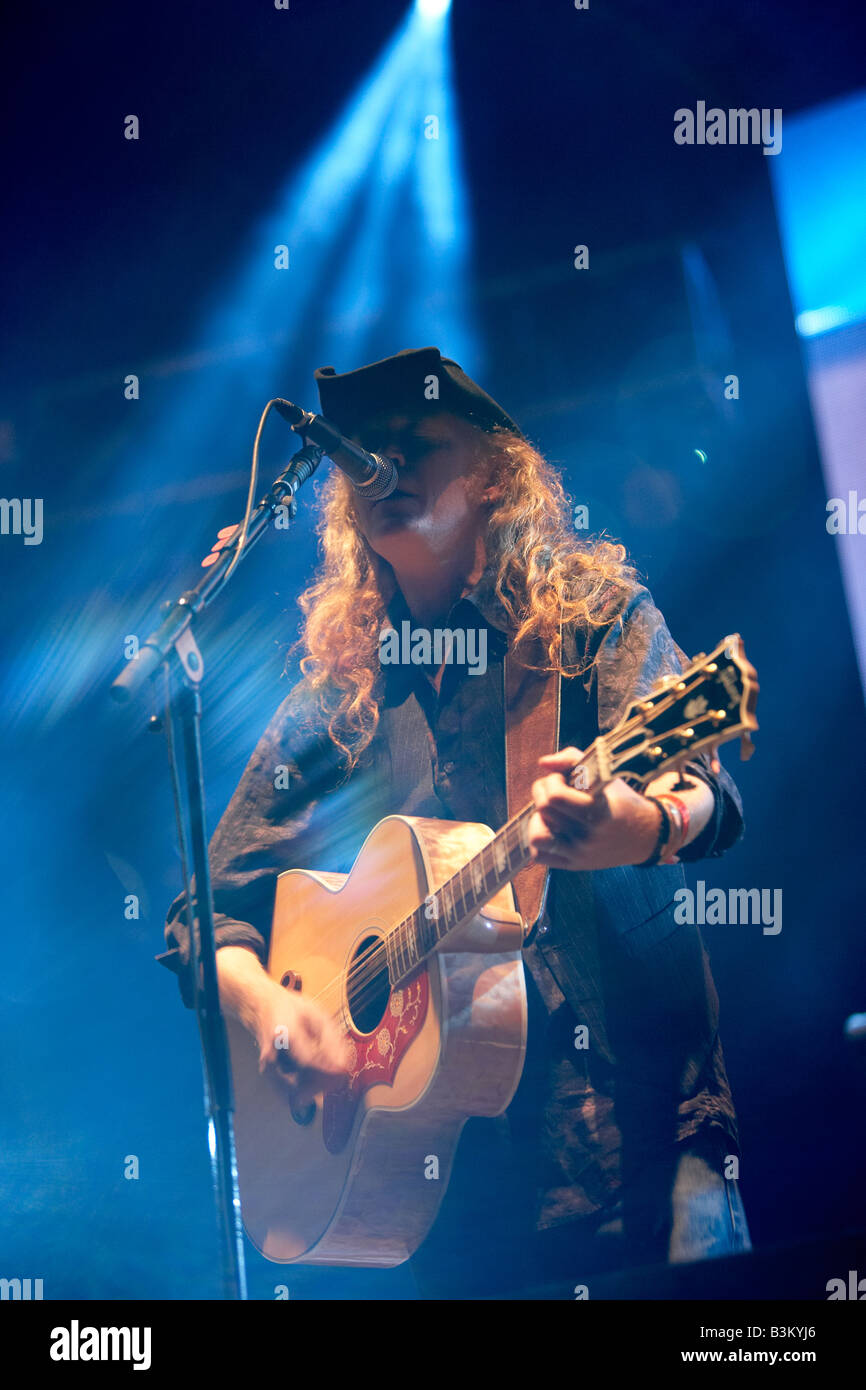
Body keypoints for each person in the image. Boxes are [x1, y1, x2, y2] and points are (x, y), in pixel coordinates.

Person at [161, 346, 751, 1297]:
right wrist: (274, 1012)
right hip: (444, 1184)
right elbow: (208, 900)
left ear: (489, 471)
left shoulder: (591, 620)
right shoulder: (345, 691)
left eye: (411, 444)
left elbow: (707, 797)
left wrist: (635, 827)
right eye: (364, 456)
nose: (379, 467)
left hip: (635, 1122)